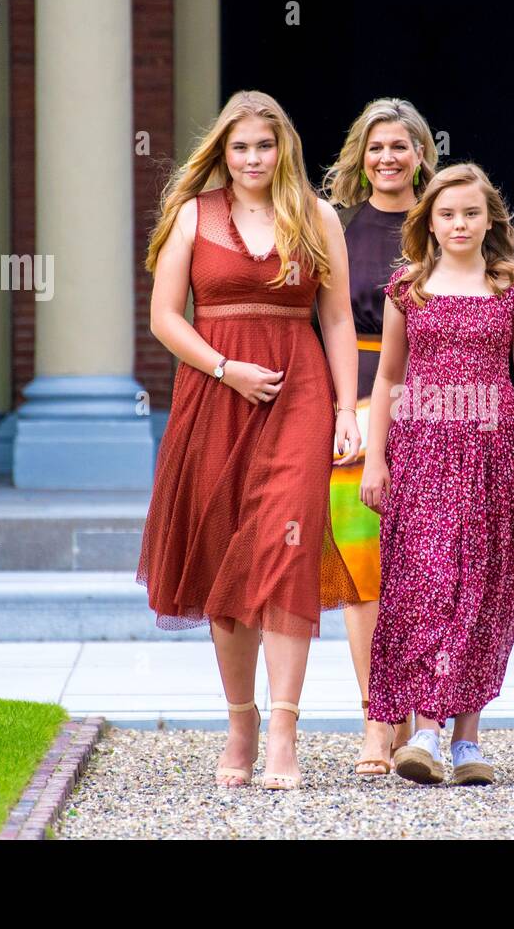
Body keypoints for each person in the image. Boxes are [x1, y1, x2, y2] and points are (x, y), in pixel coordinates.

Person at [137, 90, 362, 791]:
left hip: (300, 398)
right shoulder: (192, 216)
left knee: (286, 554)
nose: (253, 158)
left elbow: (335, 322)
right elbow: (165, 317)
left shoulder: (316, 217)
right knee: (225, 560)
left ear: (283, 148)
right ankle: (242, 725)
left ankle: (286, 735)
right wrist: (225, 368)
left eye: (265, 145)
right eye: (241, 147)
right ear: (224, 153)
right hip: (214, 397)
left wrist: (347, 409)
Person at [360, 163, 514, 786]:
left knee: (482, 588)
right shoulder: (408, 287)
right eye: (447, 214)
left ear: (490, 218)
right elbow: (388, 377)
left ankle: (467, 741)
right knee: (423, 584)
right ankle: (422, 731)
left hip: (493, 456)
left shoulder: (513, 285)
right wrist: (375, 455)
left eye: (470, 213)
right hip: (422, 455)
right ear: (430, 221)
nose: (459, 224)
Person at [317, 98, 439, 776]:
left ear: (423, 151)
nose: (387, 158)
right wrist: (344, 407)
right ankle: (376, 719)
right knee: (363, 571)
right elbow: (322, 321)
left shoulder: (446, 217)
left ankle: (426, 722)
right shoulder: (336, 226)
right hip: (352, 406)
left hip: (436, 407)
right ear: (359, 157)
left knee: (425, 570)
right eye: (375, 148)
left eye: (400, 146)